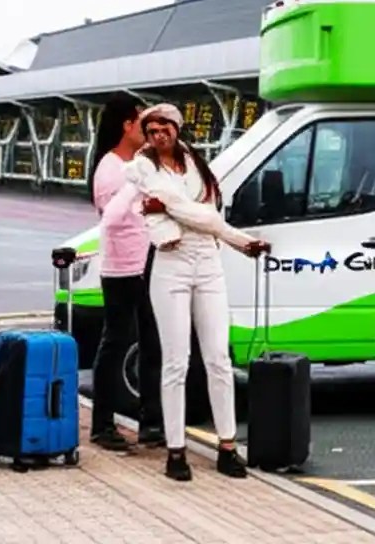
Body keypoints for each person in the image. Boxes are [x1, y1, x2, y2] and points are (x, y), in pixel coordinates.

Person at [108, 102, 269, 481]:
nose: (157, 135)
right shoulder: (143, 166)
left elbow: (198, 210)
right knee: (176, 362)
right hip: (171, 263)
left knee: (217, 359)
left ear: (178, 129)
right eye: (151, 130)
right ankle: (175, 450)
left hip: (208, 263)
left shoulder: (197, 165)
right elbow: (197, 213)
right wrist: (231, 235)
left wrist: (172, 208)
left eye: (164, 127)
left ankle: (228, 446)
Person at [87, 93, 165, 451]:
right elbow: (117, 217)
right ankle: (102, 425)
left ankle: (152, 422)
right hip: (123, 269)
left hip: (146, 264)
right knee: (116, 342)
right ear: (126, 125)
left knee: (151, 343)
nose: (147, 131)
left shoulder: (132, 164)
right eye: (141, 123)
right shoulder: (111, 169)